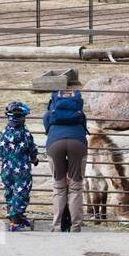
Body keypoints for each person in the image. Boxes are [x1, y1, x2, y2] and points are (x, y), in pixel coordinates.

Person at [43, 89, 88, 232]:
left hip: (55, 144)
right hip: (78, 144)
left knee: (59, 187)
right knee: (76, 187)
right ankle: (75, 227)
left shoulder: (50, 113)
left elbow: (47, 129)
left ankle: (57, 226)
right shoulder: (79, 113)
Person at [0, 101, 39, 231]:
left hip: (6, 169)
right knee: (22, 192)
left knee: (9, 191)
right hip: (21, 169)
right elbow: (32, 149)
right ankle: (16, 220)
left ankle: (14, 215)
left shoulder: (4, 133)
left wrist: (7, 158)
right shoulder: (25, 134)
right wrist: (34, 159)